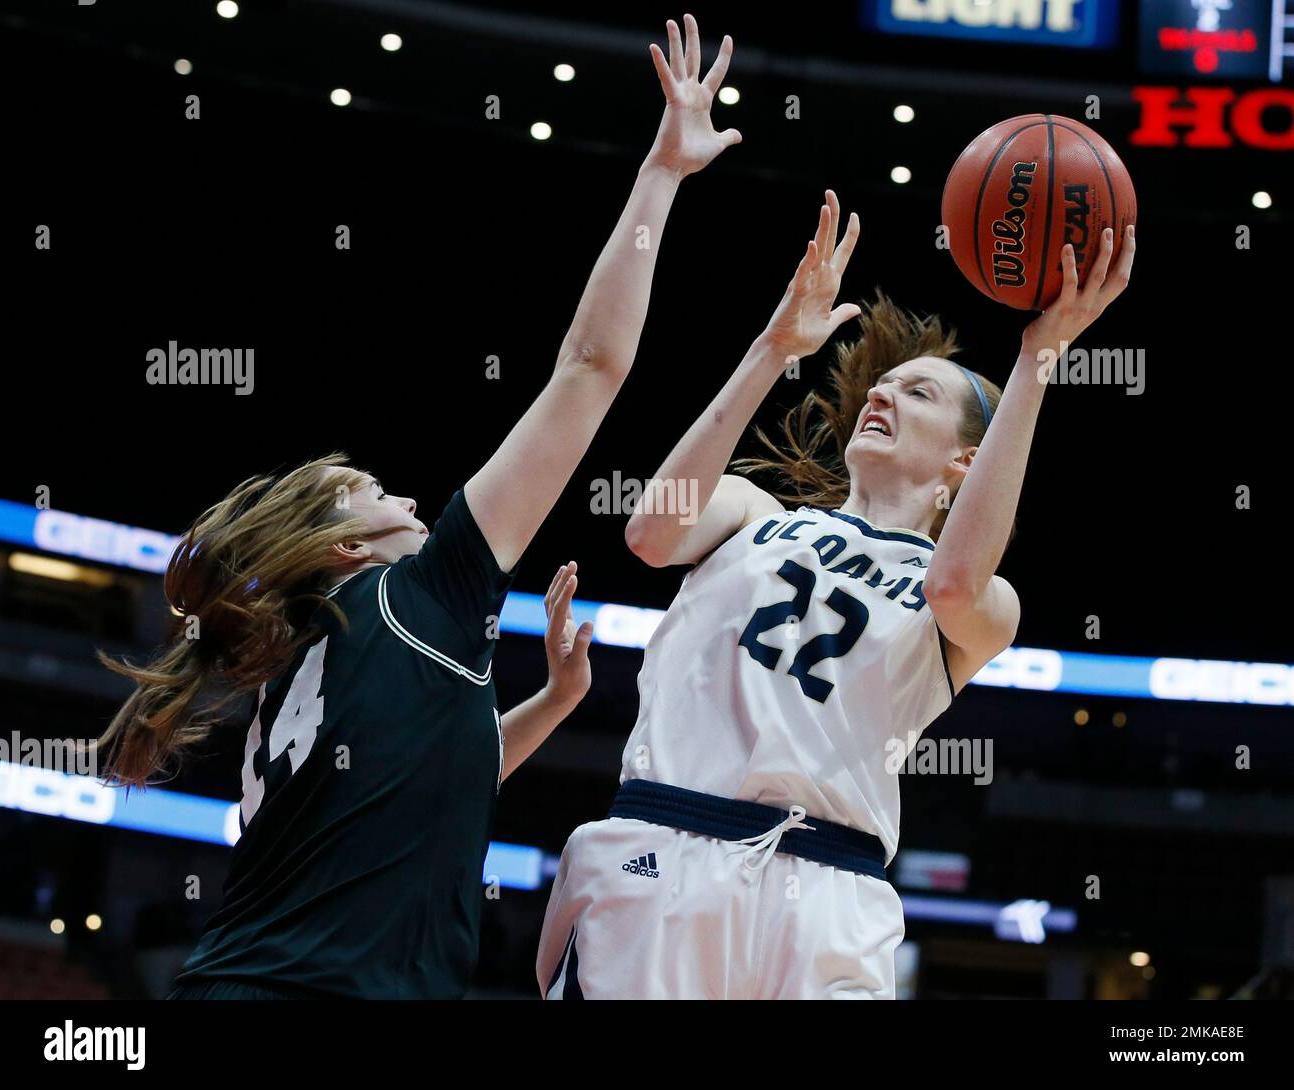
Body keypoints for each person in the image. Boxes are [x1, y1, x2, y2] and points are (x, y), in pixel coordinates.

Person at [96, 13, 744, 999]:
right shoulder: (413, 595)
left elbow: (425, 784)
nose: (405, 495)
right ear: (344, 545)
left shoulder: (310, 655)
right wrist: (661, 174)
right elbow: (590, 366)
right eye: (371, 492)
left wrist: (553, 703)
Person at [536, 190, 1136, 998]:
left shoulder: (983, 603)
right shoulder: (755, 514)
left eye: (917, 393)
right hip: (667, 843)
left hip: (832, 887)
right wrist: (771, 349)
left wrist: (1039, 359)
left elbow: (953, 582)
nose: (880, 395)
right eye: (882, 386)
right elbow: (650, 531)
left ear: (966, 461)